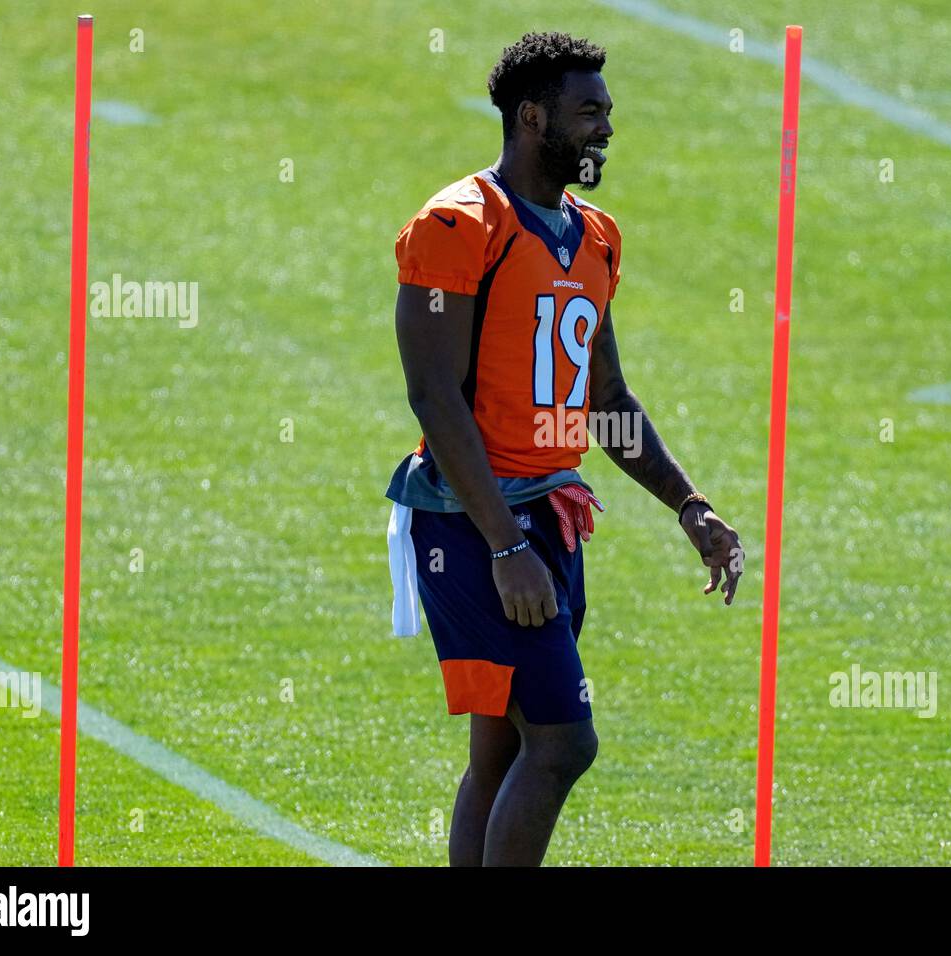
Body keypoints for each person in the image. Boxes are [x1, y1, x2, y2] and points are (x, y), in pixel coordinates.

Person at [385, 31, 744, 866]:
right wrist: (505, 544)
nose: (607, 130)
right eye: (590, 113)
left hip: (550, 517)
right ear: (531, 116)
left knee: (504, 751)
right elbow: (433, 397)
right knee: (563, 743)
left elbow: (605, 399)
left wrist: (690, 506)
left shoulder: (597, 236)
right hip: (476, 524)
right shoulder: (456, 224)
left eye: (610, 113)